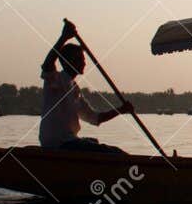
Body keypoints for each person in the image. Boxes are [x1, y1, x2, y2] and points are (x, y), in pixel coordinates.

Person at [40, 20, 128, 151]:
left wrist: (121, 110)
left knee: (95, 142)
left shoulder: (74, 89)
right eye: (80, 59)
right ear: (69, 62)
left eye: (83, 59)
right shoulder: (55, 80)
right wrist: (63, 37)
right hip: (58, 144)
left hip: (70, 141)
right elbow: (47, 65)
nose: (84, 63)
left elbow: (95, 118)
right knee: (114, 152)